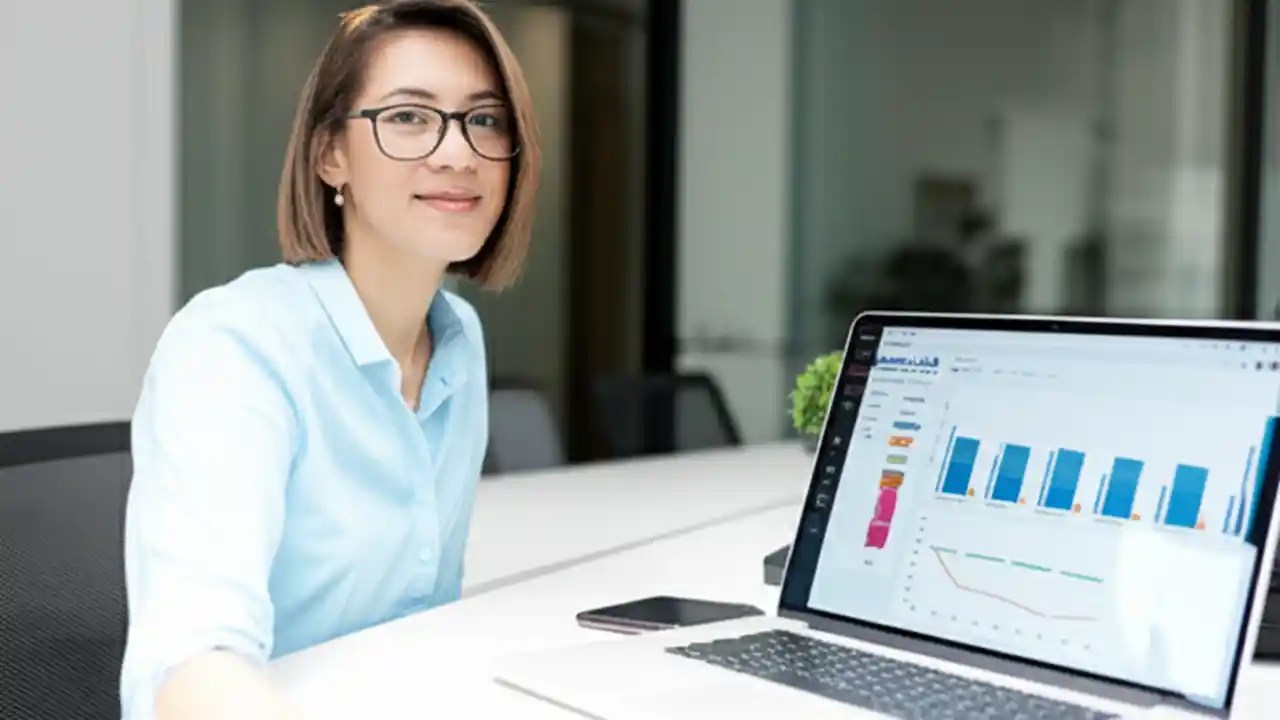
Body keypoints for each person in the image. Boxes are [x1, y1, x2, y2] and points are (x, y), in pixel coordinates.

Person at [119, 1, 541, 718]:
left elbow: (416, 628)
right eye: (408, 116)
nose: (458, 152)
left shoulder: (458, 340)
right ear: (329, 155)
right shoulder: (235, 345)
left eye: (485, 119)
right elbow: (193, 664)